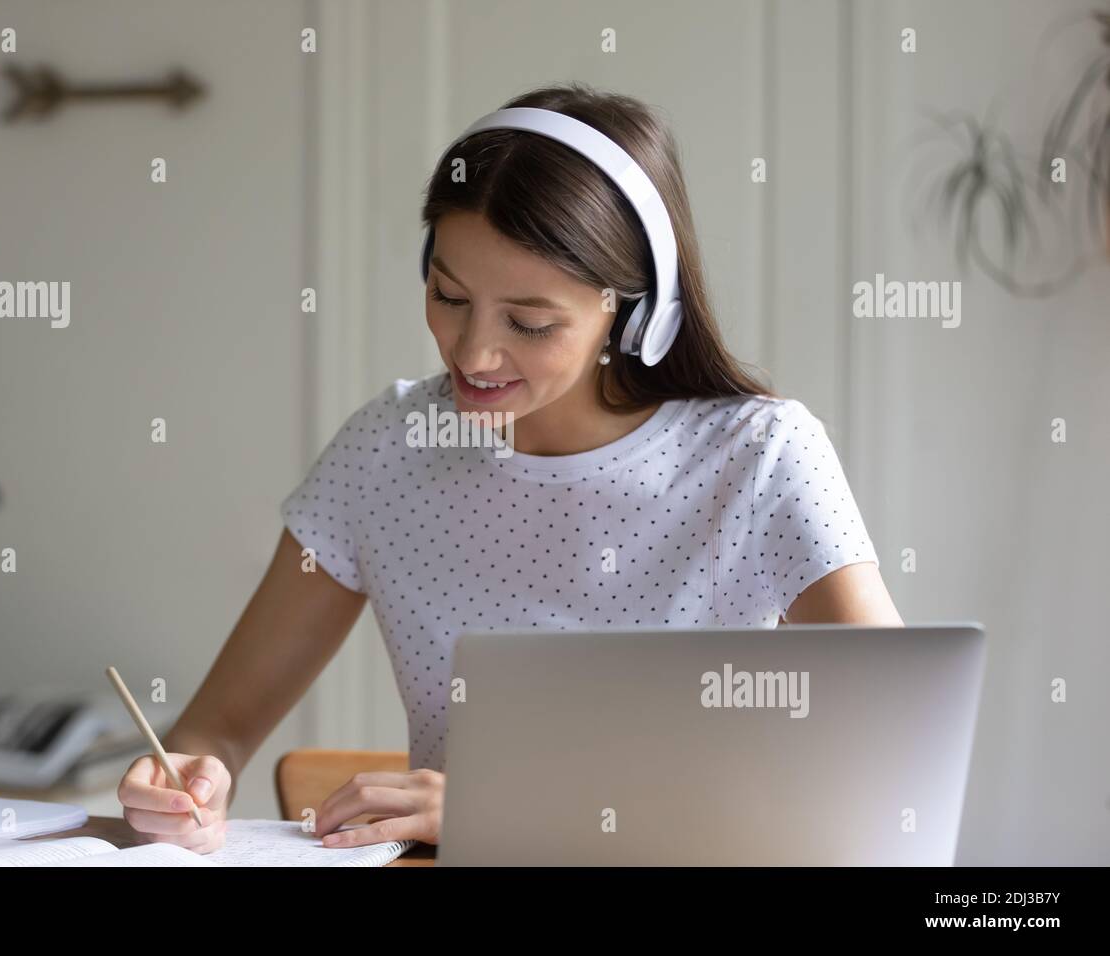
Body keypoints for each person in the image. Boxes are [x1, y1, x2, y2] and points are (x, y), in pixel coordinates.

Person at [116, 82, 903, 854]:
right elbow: (211, 732)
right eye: (448, 296)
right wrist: (184, 786)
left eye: (529, 321)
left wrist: (515, 810)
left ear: (636, 317)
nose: (472, 353)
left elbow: (893, 756)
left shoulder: (760, 457)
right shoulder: (389, 448)